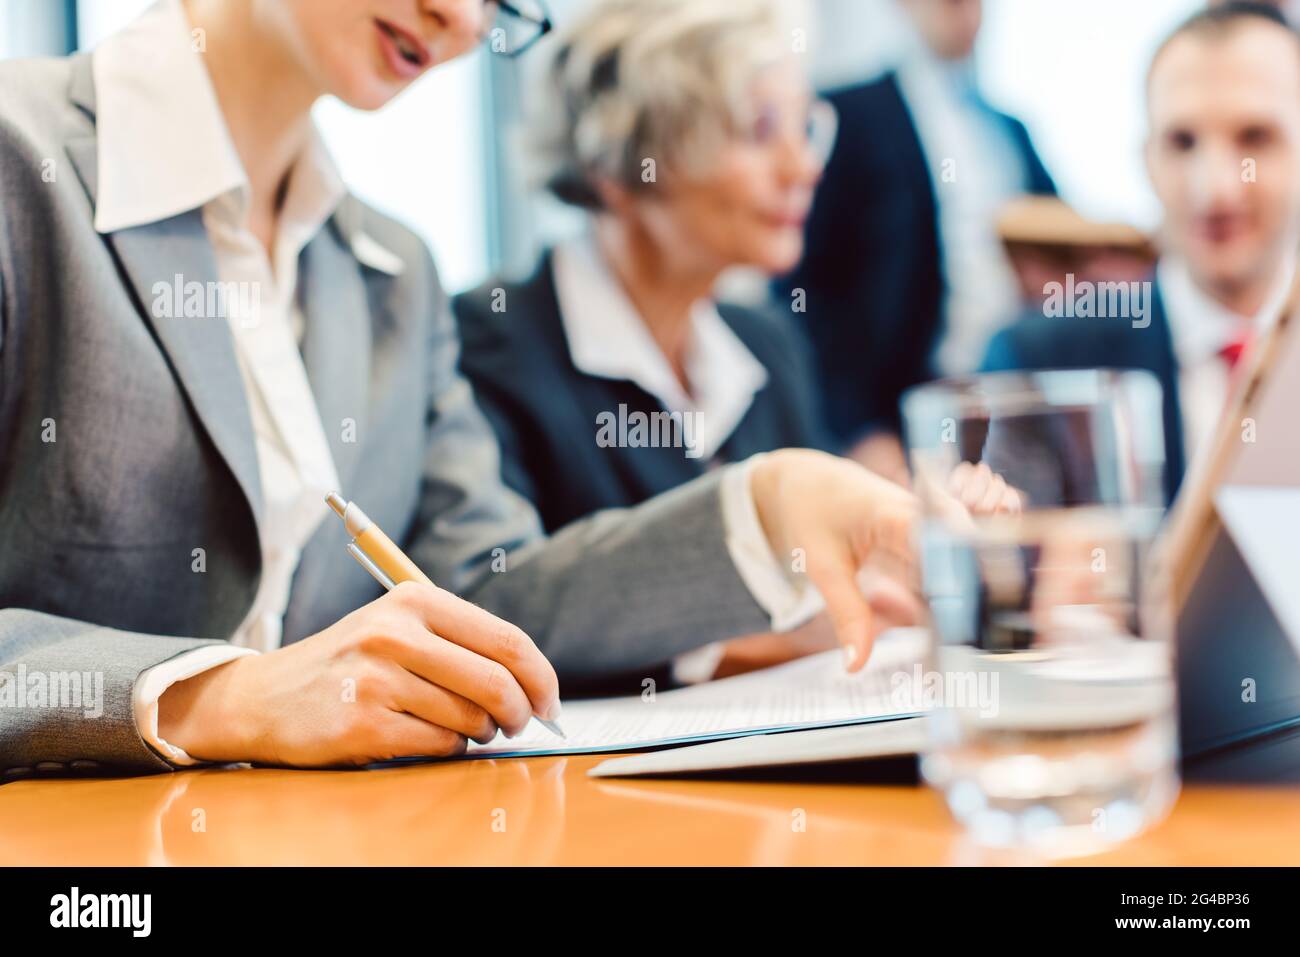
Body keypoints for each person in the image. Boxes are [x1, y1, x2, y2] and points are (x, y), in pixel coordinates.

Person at [0, 0, 934, 776]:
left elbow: (495, 601)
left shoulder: (392, 275)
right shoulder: (18, 162)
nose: (455, 21)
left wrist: (764, 508)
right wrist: (221, 693)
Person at [454, 0, 840, 684]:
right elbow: (498, 613)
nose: (801, 166)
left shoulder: (767, 344)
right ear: (621, 164)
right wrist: (754, 644)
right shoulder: (487, 343)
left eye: (806, 126)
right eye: (759, 131)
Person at [983, 2, 1300, 505]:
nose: (1215, 189)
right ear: (1146, 160)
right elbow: (1003, 560)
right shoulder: (1041, 367)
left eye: (1254, 137)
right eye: (1182, 142)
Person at [774, 0, 1055, 484]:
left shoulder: (1010, 130)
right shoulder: (849, 117)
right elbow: (802, 295)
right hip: (897, 421)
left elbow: (1060, 246)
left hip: (1013, 412)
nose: (966, 12)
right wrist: (856, 429)